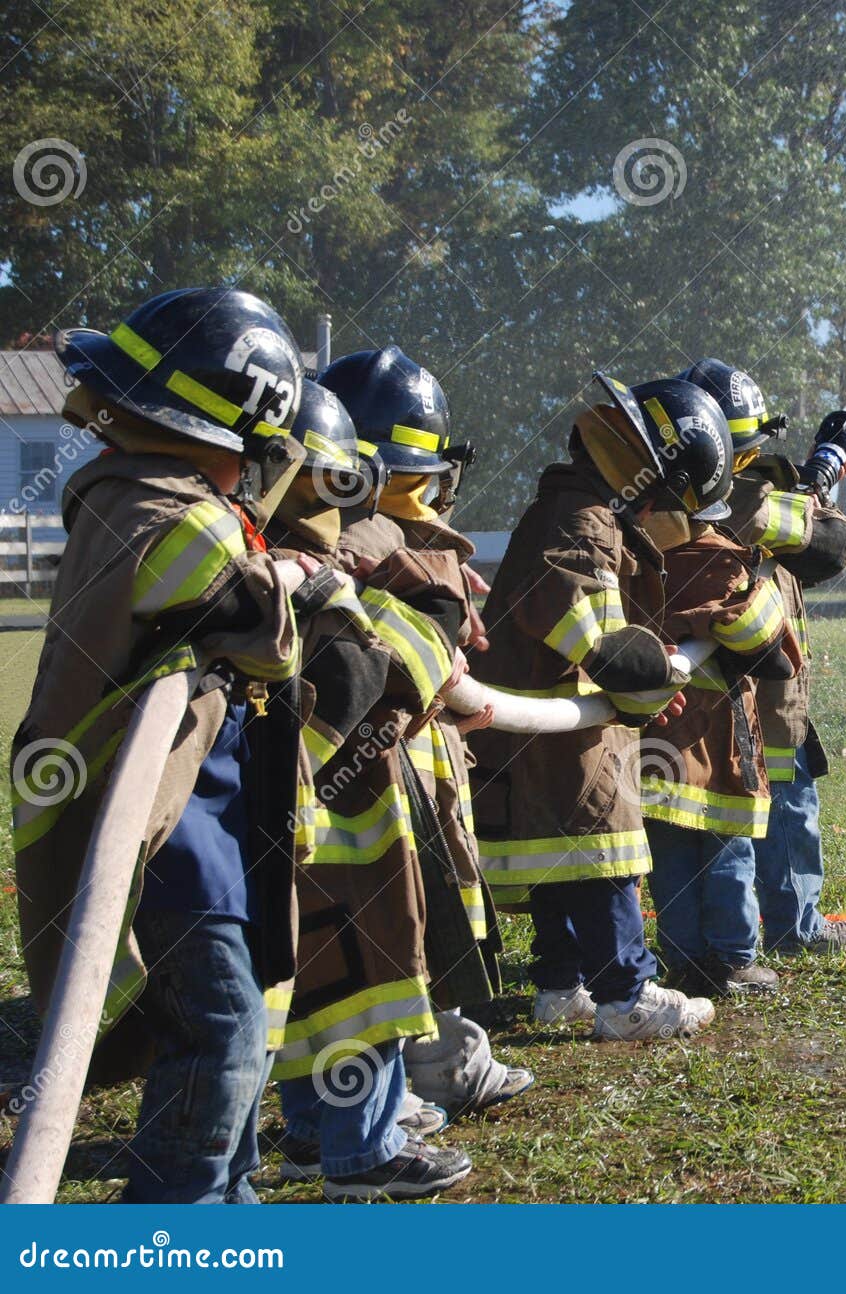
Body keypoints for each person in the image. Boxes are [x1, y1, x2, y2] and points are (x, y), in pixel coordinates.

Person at [13, 287, 309, 1203]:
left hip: (202, 820)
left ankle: (222, 1201)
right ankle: (170, 1223)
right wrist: (297, 577)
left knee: (220, 1013)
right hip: (157, 831)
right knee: (216, 1024)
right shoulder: (157, 506)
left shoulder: (148, 493)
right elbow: (255, 619)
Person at [468, 374, 734, 1039]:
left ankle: (561, 984)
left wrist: (642, 680)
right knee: (599, 854)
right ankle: (626, 996)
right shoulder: (586, 521)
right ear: (651, 482)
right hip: (566, 738)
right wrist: (656, 678)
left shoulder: (570, 509)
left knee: (557, 859)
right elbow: (597, 640)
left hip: (545, 730)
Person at [263, 378, 470, 1201]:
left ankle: (314, 1136)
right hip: (353, 821)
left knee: (307, 981)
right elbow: (389, 673)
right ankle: (366, 1148)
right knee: (373, 978)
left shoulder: (262, 560)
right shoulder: (324, 574)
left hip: (286, 826)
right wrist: (440, 633)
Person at [320, 346, 531, 1117]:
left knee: (425, 905)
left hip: (412, 751)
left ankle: (439, 1062)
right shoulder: (360, 545)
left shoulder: (354, 534)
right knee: (392, 913)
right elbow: (379, 658)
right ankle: (395, 1084)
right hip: (381, 768)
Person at [681, 360, 846, 957]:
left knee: (746, 814)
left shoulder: (693, 492)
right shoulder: (748, 500)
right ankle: (793, 927)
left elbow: (825, 547)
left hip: (739, 692)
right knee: (784, 803)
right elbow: (819, 536)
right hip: (757, 695)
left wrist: (818, 477)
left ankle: (741, 932)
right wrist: (817, 477)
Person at [632, 373, 803, 997]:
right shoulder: (718, 557)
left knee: (671, 855)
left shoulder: (636, 556)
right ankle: (734, 959)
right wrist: (755, 581)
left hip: (657, 737)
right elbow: (767, 643)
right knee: (728, 847)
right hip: (720, 738)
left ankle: (683, 959)